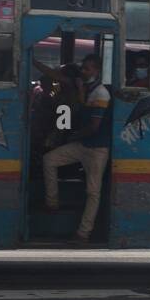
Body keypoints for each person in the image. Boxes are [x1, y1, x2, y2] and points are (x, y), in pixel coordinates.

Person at [42, 54, 111, 244]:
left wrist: (74, 136)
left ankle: (83, 233)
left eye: (87, 69)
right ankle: (52, 202)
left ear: (96, 71)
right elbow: (55, 77)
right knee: (49, 160)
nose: (83, 71)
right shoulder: (86, 88)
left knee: (93, 192)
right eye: (83, 68)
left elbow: (94, 127)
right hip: (83, 145)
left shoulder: (101, 93)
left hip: (97, 149)